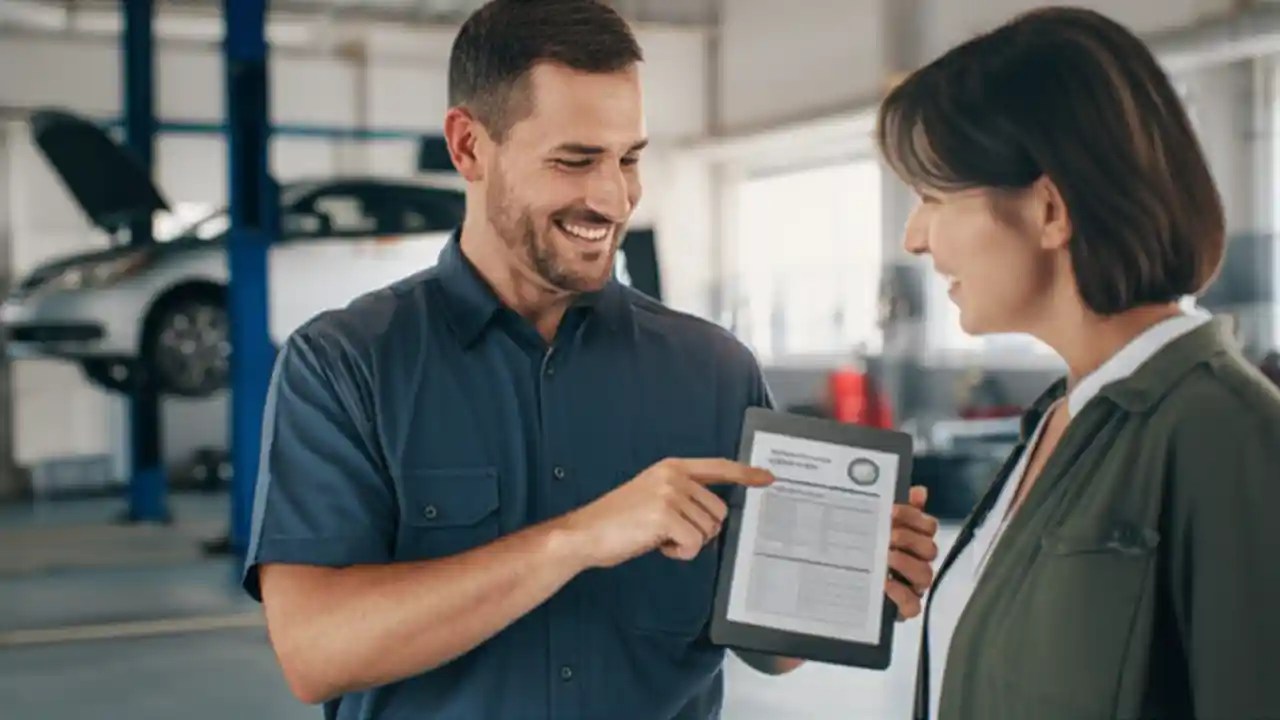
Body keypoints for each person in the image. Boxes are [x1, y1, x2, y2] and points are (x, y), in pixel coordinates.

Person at [243, 2, 941, 719]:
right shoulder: (345, 365)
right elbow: (316, 652)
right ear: (469, 147)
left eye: (629, 159)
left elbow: (771, 647)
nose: (613, 197)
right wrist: (577, 540)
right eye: (574, 161)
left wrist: (850, 571)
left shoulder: (714, 371)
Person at [875, 7, 1280, 720]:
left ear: (1050, 210)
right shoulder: (1063, 417)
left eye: (934, 198)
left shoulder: (1226, 433)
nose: (914, 238)